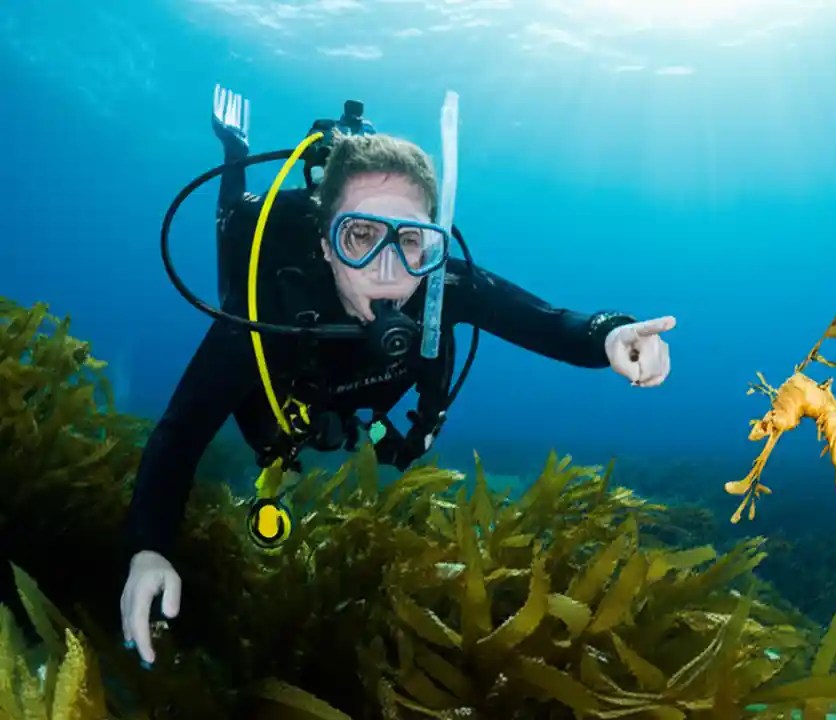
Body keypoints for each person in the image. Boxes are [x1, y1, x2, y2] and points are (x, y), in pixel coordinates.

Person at [120, 86, 676, 666]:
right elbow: (180, 433)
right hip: (281, 386)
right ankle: (236, 154)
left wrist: (612, 335)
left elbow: (552, 323)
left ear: (433, 243)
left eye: (411, 240)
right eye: (359, 236)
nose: (388, 270)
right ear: (326, 244)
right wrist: (148, 548)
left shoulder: (441, 286)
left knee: (355, 431)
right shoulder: (267, 309)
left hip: (356, 397)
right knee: (258, 396)